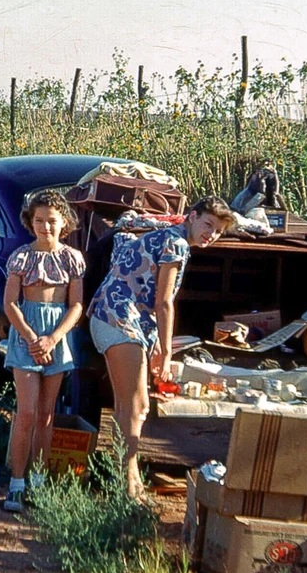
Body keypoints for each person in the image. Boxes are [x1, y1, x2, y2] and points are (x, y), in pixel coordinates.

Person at [87, 195, 235, 496]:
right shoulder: (175, 244)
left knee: (134, 407)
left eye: (218, 231)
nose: (212, 234)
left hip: (125, 320)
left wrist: (154, 344)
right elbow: (164, 303)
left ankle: (126, 478)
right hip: (116, 317)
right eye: (208, 225)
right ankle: (126, 484)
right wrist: (166, 353)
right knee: (133, 406)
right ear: (192, 217)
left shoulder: (171, 238)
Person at [2, 190, 86, 512]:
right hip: (26, 335)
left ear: (63, 222)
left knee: (47, 415)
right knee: (26, 414)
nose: (45, 227)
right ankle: (16, 483)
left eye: (52, 221)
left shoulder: (72, 258)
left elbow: (76, 305)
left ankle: (38, 482)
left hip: (58, 337)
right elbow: (10, 303)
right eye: (39, 220)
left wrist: (52, 339)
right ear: (30, 222)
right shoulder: (21, 257)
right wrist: (32, 338)